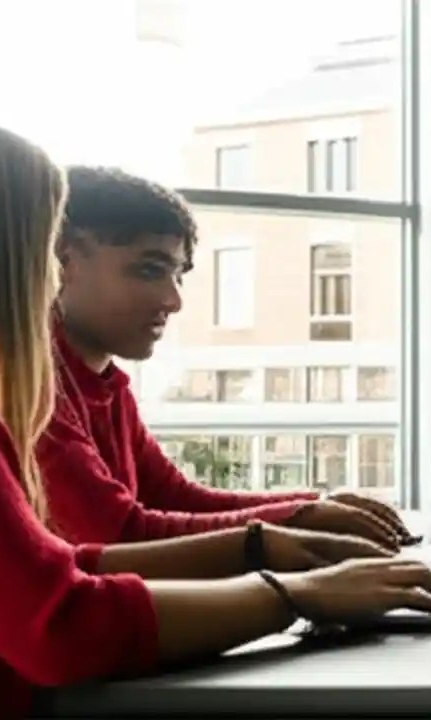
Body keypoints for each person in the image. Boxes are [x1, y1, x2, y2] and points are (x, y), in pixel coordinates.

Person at [0, 112, 431, 716]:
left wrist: (282, 537)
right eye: (42, 252)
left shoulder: (84, 387)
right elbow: (61, 620)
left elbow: (65, 560)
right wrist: (293, 589)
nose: (49, 277)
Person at [40, 166, 411, 550]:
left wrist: (313, 506)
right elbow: (121, 535)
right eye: (149, 271)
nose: (174, 300)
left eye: (178, 276)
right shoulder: (31, 390)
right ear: (63, 263)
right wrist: (298, 521)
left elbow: (176, 498)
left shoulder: (105, 384)